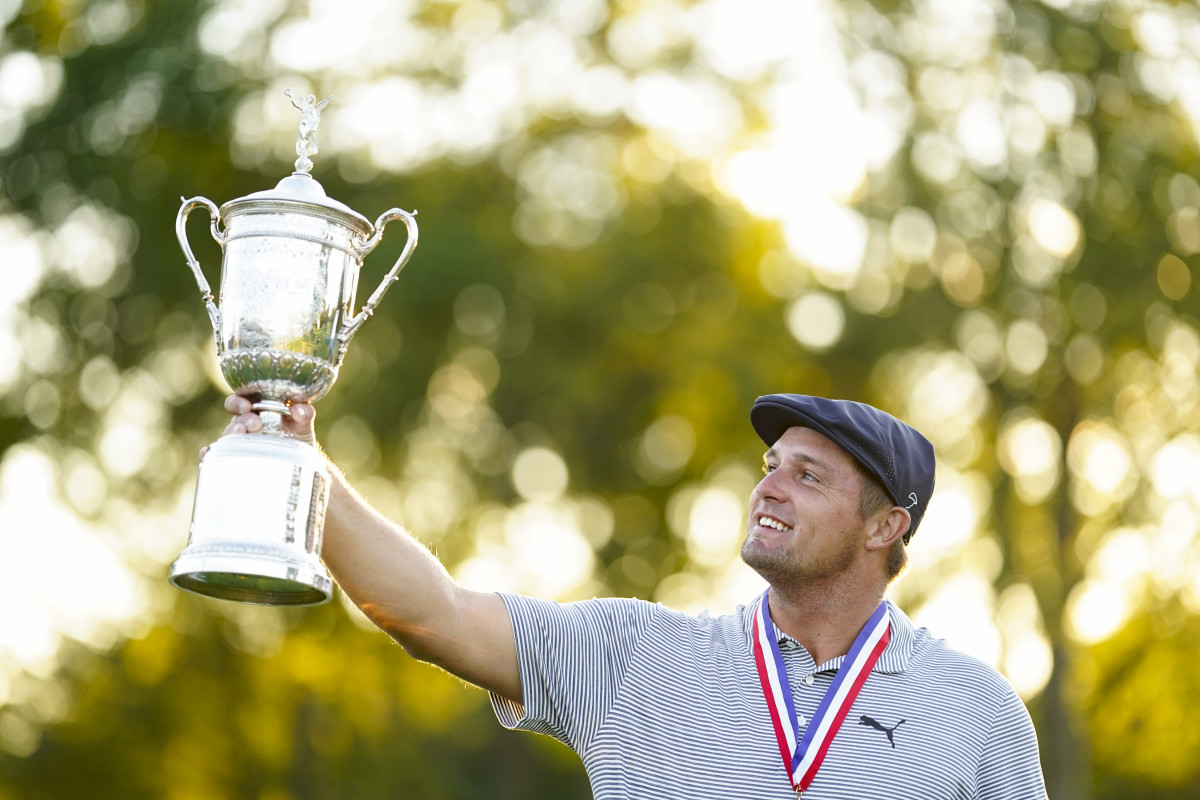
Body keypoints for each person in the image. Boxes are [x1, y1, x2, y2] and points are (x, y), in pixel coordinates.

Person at [220, 392, 1048, 799]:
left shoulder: (978, 711)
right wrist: (304, 467)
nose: (770, 489)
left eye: (808, 476)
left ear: (882, 528)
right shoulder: (634, 657)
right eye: (768, 469)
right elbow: (432, 613)